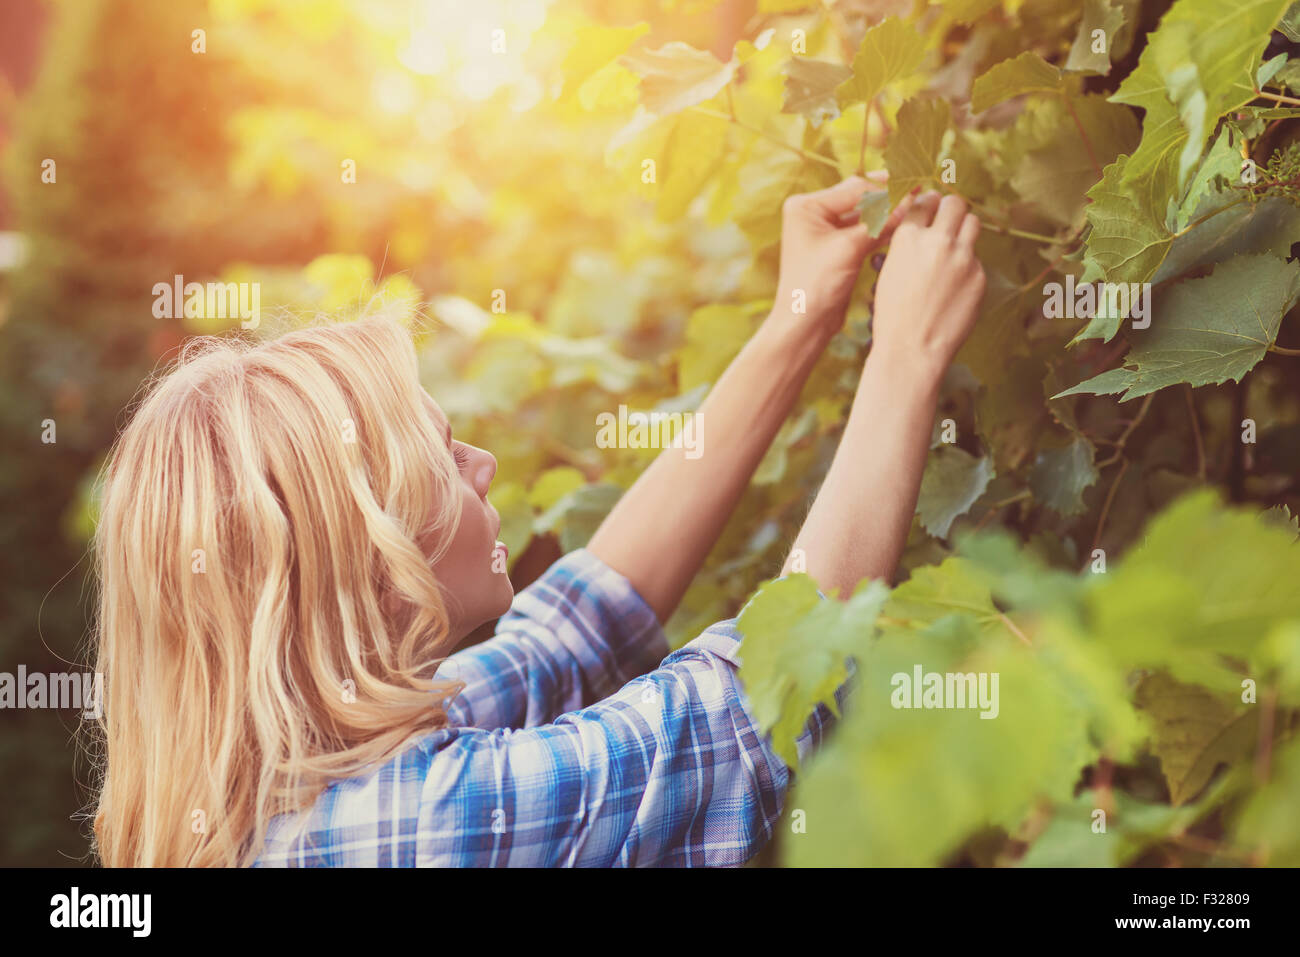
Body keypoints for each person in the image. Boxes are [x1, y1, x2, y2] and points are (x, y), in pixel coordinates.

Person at [89, 177, 986, 866]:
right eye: (442, 456)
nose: (482, 464)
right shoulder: (417, 831)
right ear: (363, 558)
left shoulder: (300, 785)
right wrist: (907, 355)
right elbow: (753, 712)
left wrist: (801, 317)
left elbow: (585, 619)